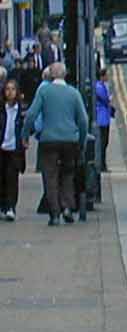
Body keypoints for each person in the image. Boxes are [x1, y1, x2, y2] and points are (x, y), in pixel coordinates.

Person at [21, 62, 90, 226]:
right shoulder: (73, 93)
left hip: (48, 140)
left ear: (51, 75)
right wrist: (81, 141)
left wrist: (25, 135)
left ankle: (54, 214)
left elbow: (31, 115)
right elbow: (83, 120)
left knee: (49, 176)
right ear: (65, 75)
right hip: (69, 141)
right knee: (68, 174)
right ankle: (67, 207)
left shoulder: (44, 91)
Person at [0, 76, 24, 221]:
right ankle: (3, 205)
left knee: (12, 179)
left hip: (15, 149)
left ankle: (11, 207)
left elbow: (26, 127)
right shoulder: (2, 109)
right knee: (2, 178)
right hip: (2, 147)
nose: (10, 92)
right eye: (7, 89)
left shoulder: (20, 110)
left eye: (13, 89)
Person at [93, 67, 114, 172]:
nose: (108, 77)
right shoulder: (99, 87)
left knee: (105, 143)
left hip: (105, 117)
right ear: (102, 76)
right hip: (102, 119)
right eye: (107, 75)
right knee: (102, 143)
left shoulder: (102, 86)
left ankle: (103, 164)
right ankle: (102, 165)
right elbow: (105, 100)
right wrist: (109, 99)